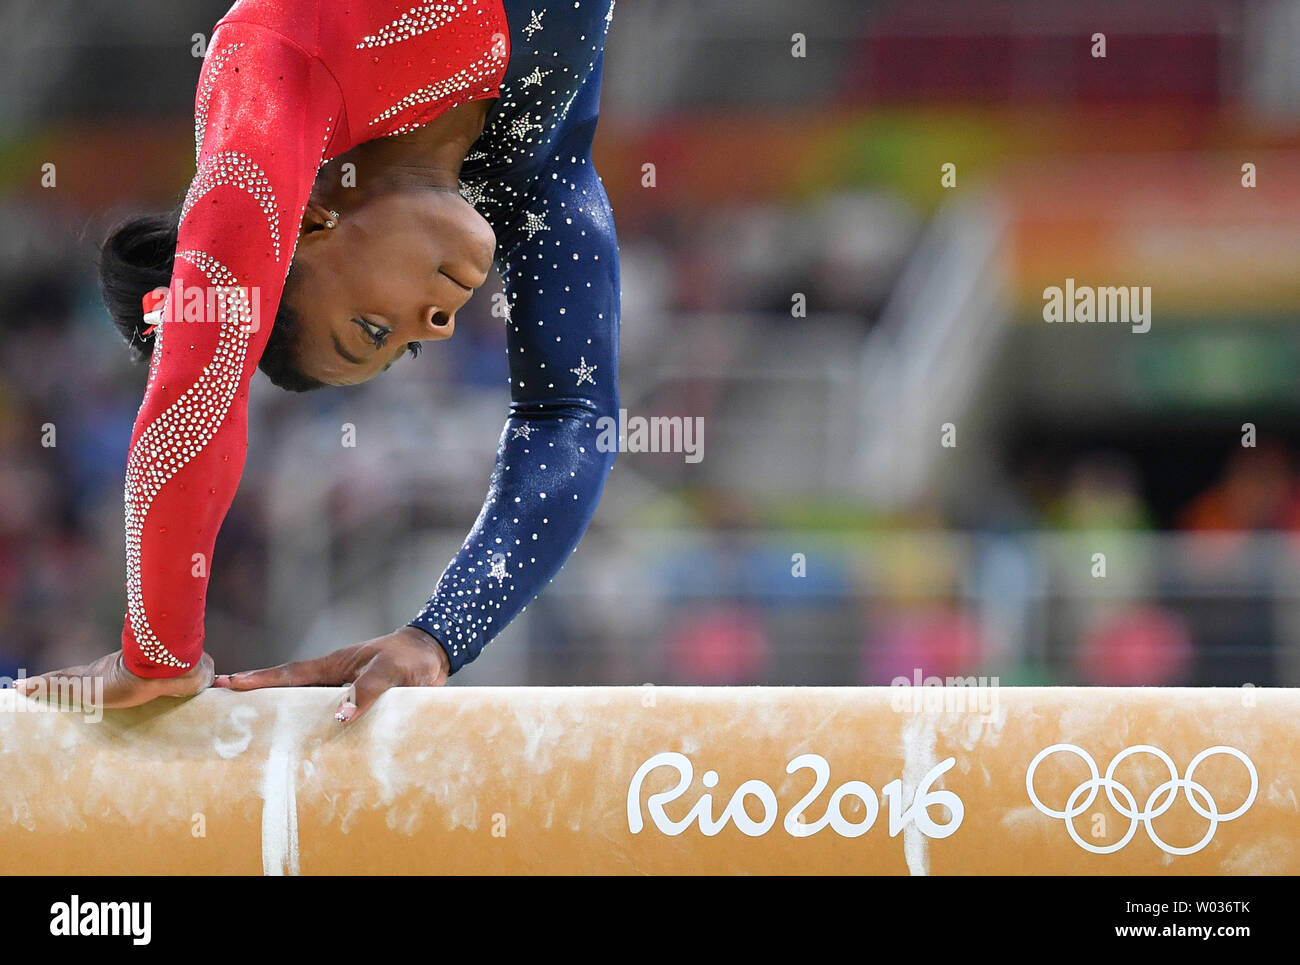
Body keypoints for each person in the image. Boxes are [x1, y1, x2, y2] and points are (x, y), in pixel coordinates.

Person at [17, 0, 620, 721]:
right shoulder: (530, 163)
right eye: (411, 343)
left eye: (370, 328)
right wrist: (440, 635)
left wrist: (158, 650)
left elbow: (202, 371)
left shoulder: (280, 56)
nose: (439, 323)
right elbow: (572, 417)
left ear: (308, 220)